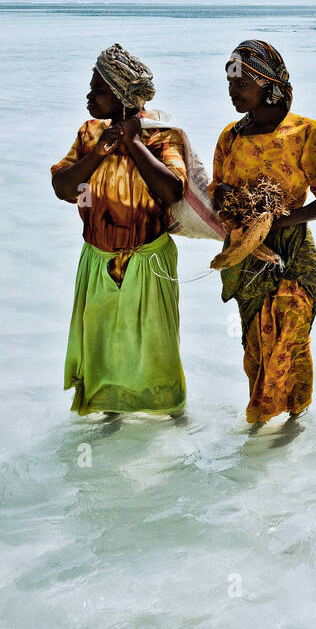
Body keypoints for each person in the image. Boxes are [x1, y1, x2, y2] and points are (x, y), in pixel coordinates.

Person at [211, 40, 316, 426]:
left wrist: (278, 220)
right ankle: (264, 428)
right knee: (257, 345)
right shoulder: (230, 137)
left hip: (292, 250)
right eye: (229, 83)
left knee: (291, 329)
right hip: (246, 255)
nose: (232, 91)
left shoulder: (304, 132)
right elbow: (217, 189)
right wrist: (230, 202)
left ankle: (294, 417)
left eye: (240, 83)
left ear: (266, 83)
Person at [50, 44, 188, 416]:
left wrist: (135, 143)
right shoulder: (90, 134)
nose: (88, 96)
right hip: (97, 260)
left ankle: (170, 424)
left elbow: (172, 190)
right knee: (101, 349)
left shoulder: (162, 137)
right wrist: (99, 153)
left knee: (155, 350)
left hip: (148, 262)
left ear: (122, 96)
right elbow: (62, 188)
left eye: (97, 89)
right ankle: (109, 422)